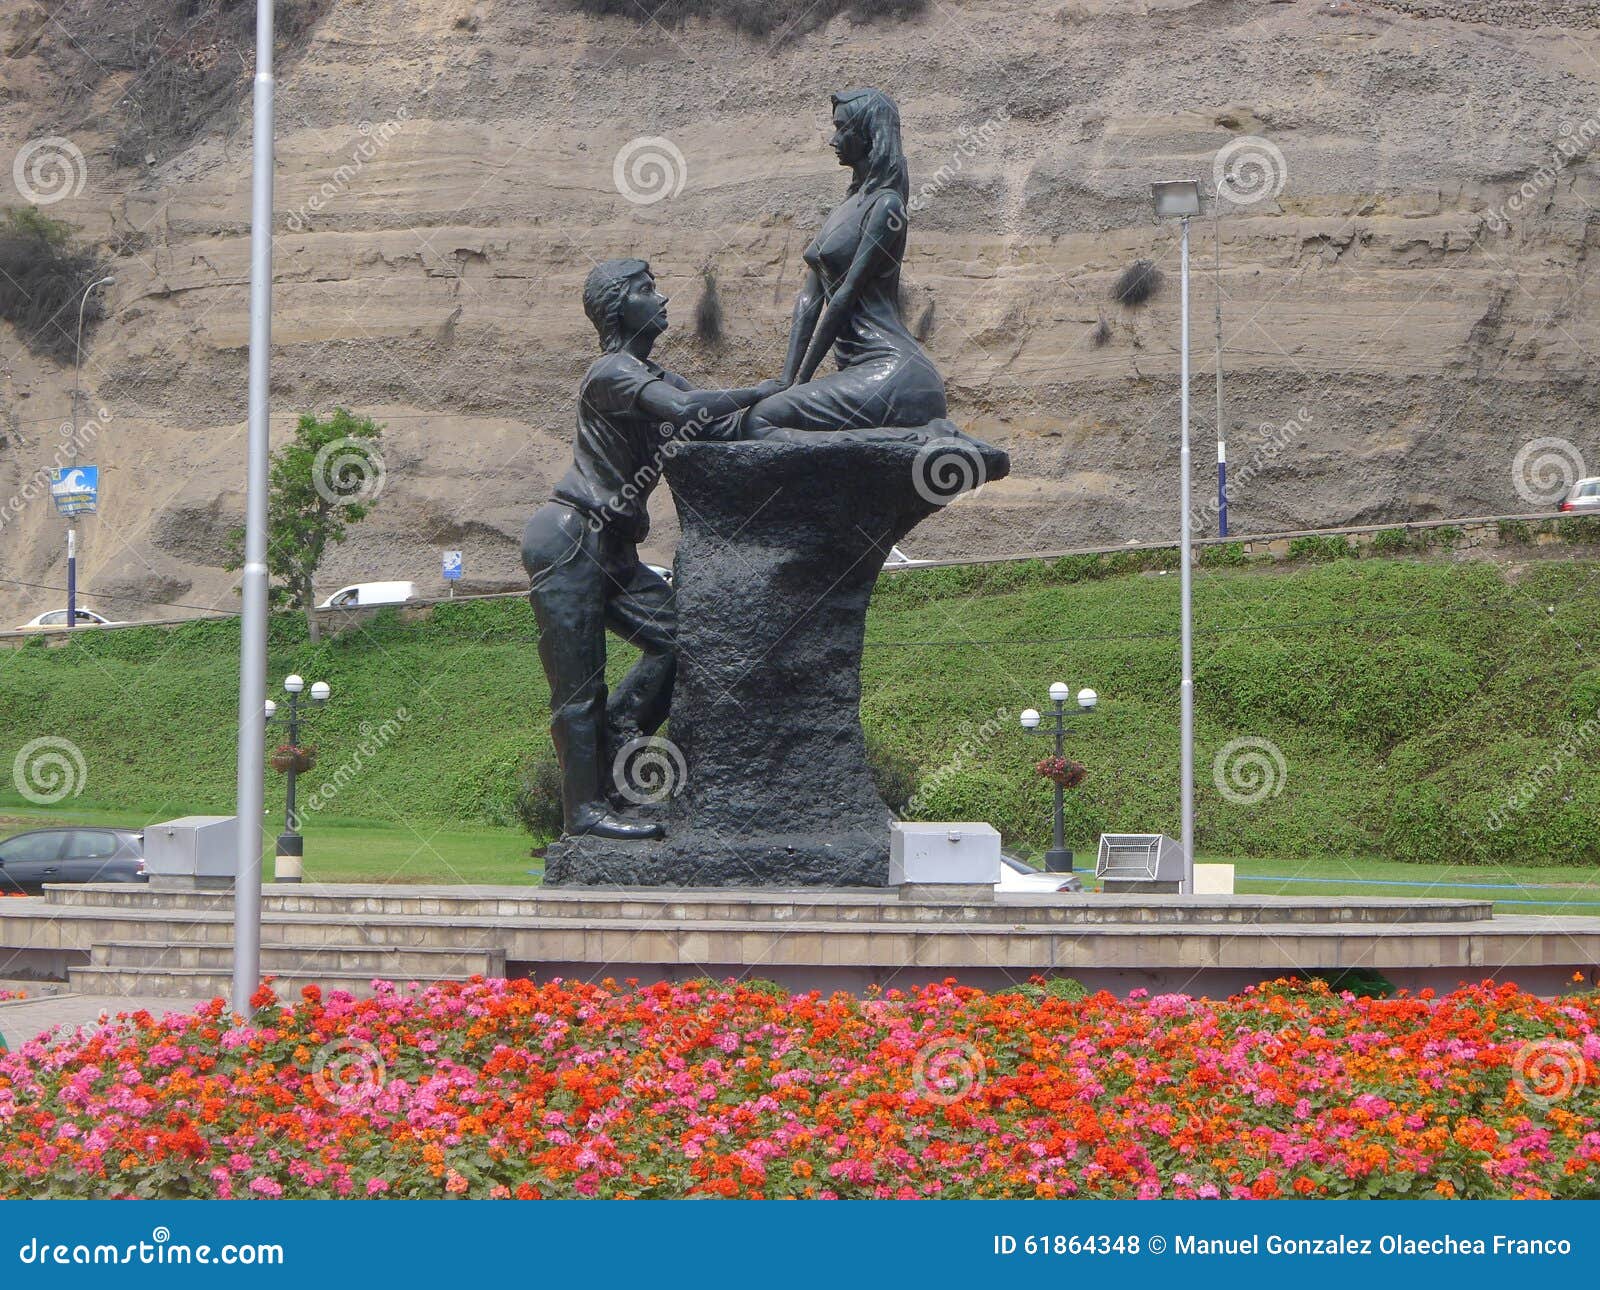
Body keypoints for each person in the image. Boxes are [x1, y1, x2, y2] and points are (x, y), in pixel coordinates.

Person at [523, 258, 784, 840]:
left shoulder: (652, 376)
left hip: (614, 551)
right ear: (619, 307)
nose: (662, 299)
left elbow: (716, 428)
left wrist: (790, 418)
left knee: (686, 642)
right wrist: (759, 390)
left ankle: (619, 732)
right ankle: (583, 814)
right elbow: (693, 412)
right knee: (577, 690)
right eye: (647, 290)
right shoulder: (611, 373)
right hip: (569, 538)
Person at [744, 88, 947, 436]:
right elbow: (811, 298)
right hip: (859, 368)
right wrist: (786, 377)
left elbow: (844, 297)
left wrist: (800, 381)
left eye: (843, 129)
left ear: (869, 134)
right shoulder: (846, 207)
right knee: (763, 416)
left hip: (893, 368)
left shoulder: (887, 207)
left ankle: (892, 440)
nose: (833, 140)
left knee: (762, 419)